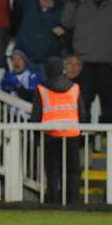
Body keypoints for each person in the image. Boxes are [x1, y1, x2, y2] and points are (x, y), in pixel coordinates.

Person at [31, 55, 86, 205]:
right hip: (72, 135)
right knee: (73, 171)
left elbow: (36, 116)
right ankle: (73, 201)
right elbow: (82, 114)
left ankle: (54, 202)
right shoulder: (74, 88)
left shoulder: (41, 89)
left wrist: (37, 137)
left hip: (50, 135)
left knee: (53, 171)